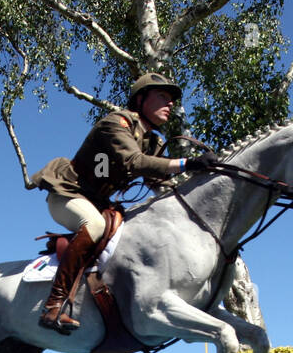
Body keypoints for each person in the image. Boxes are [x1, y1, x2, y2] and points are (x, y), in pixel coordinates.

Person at [30, 72, 216, 332]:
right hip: (67, 194)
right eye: (162, 96)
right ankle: (53, 305)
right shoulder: (115, 124)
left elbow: (156, 181)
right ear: (140, 99)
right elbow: (135, 162)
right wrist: (189, 163)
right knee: (93, 225)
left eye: (172, 100)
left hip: (99, 202)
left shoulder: (153, 140)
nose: (170, 104)